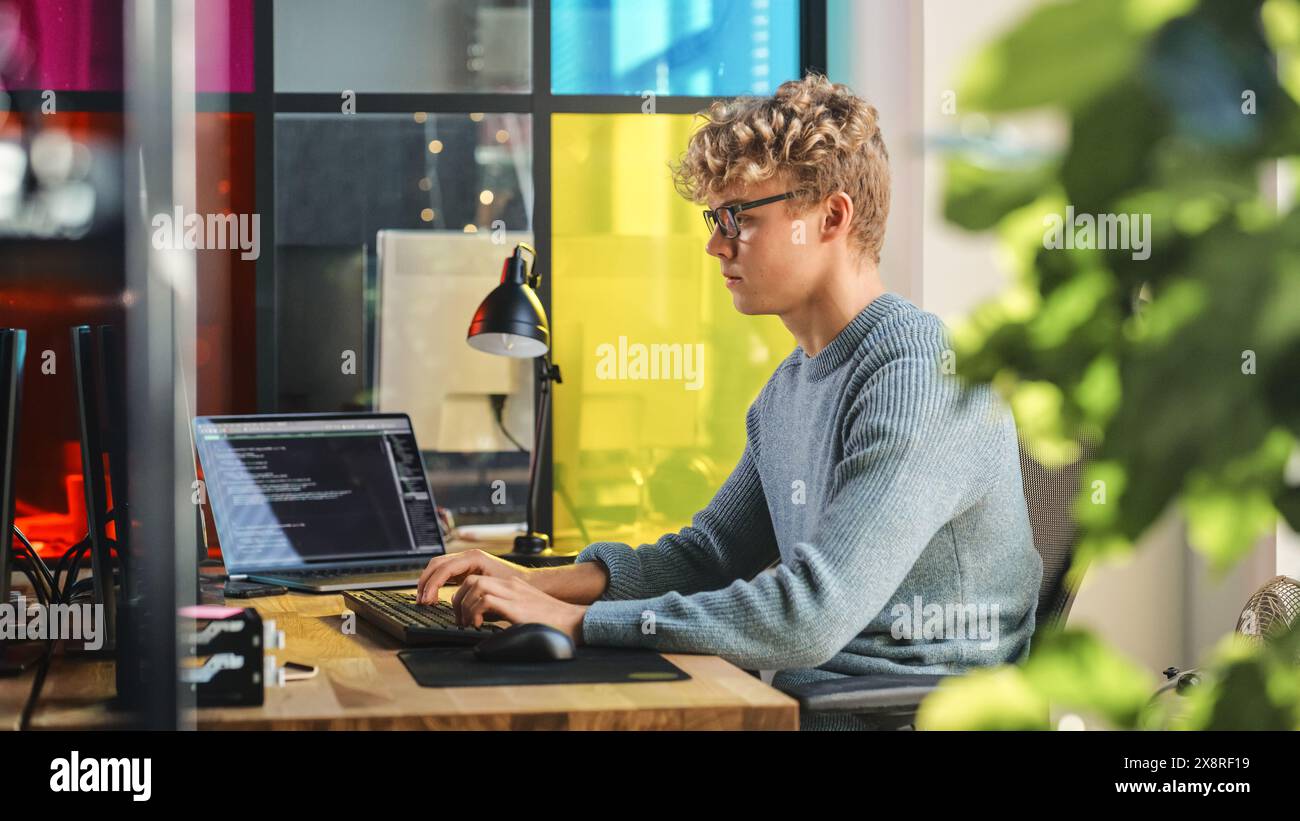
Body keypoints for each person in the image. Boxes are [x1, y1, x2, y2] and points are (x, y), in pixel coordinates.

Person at [416, 73, 1042, 730]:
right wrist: (531, 584)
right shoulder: (787, 391)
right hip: (807, 705)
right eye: (715, 219)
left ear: (831, 217)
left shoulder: (920, 371)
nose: (716, 244)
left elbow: (811, 614)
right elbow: (707, 557)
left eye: (739, 218)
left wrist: (575, 621)